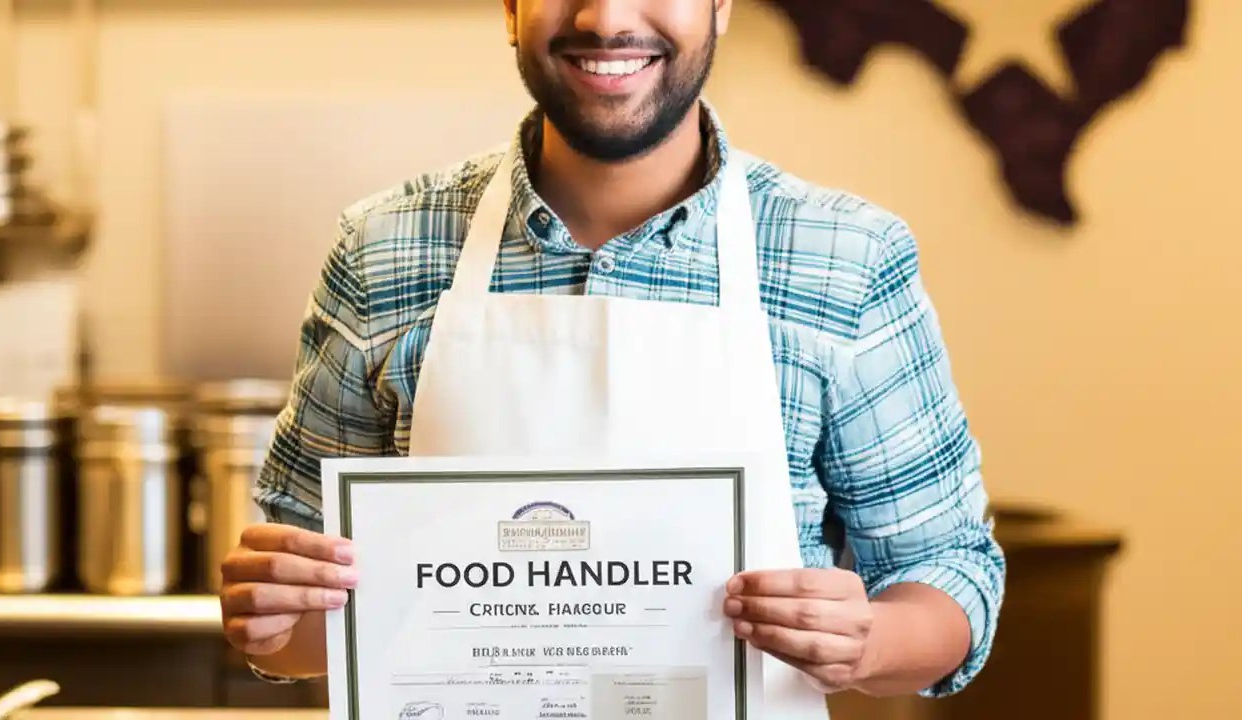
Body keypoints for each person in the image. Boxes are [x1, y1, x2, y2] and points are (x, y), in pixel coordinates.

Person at [218, 0, 1005, 707]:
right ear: (510, 8)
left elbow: (952, 575)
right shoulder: (383, 251)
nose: (605, 17)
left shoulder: (845, 256)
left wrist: (866, 639)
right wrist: (271, 619)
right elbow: (306, 624)